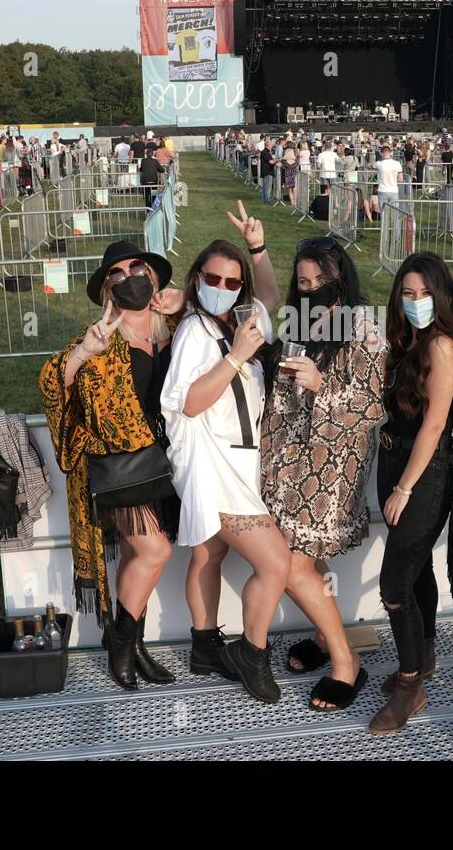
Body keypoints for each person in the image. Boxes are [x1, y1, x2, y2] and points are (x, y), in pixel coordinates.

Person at [40, 241, 185, 689]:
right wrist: (83, 353)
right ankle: (122, 644)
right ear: (107, 288)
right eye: (117, 274)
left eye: (136, 267)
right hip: (120, 467)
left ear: (154, 276)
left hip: (167, 463)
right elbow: (51, 384)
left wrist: (187, 303)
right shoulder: (103, 335)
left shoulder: (177, 330)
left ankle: (133, 643)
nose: (129, 277)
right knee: (154, 550)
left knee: (144, 552)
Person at [161, 206, 290, 703]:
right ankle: (250, 654)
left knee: (209, 552)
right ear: (197, 279)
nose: (221, 285)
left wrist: (257, 248)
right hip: (214, 467)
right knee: (275, 563)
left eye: (232, 281)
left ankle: (203, 645)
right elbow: (188, 402)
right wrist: (236, 357)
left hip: (239, 461)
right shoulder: (196, 330)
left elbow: (271, 297)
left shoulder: (239, 318)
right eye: (212, 277)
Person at [260, 238, 384, 709]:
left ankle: (346, 664)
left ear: (342, 279)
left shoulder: (366, 329)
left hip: (332, 468)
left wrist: (322, 384)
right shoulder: (300, 321)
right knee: (303, 560)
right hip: (289, 462)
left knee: (292, 565)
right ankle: (322, 631)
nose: (312, 288)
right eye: (305, 281)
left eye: (322, 281)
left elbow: (372, 406)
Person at [370, 252, 453, 733]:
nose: (416, 302)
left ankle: (411, 686)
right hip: (394, 461)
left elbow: (433, 426)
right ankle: (424, 656)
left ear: (442, 295)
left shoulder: (443, 346)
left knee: (393, 586)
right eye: (407, 294)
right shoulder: (406, 339)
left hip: (423, 475)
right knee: (416, 569)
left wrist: (405, 488)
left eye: (425, 294)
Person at [372, 144, 403, 220]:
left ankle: (384, 231)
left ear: (382, 153)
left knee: (384, 216)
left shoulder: (379, 164)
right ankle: (396, 231)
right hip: (394, 191)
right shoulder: (397, 163)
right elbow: (400, 179)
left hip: (383, 191)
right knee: (395, 216)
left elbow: (371, 165)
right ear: (390, 153)